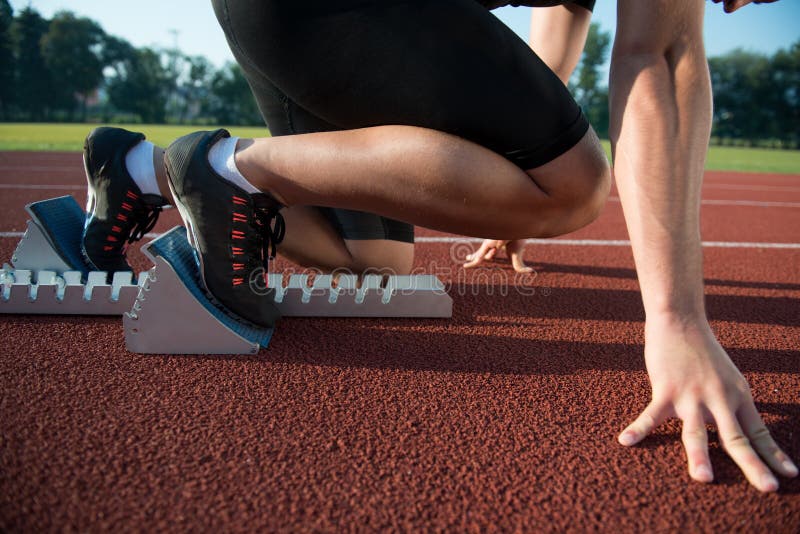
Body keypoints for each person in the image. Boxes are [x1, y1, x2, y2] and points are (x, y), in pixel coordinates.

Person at [80, 0, 796, 492]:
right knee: (578, 188)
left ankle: (140, 169)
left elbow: (549, 66)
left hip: (282, 19)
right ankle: (224, 171)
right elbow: (663, 54)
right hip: (331, 14)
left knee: (374, 263)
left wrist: (517, 185)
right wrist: (677, 320)